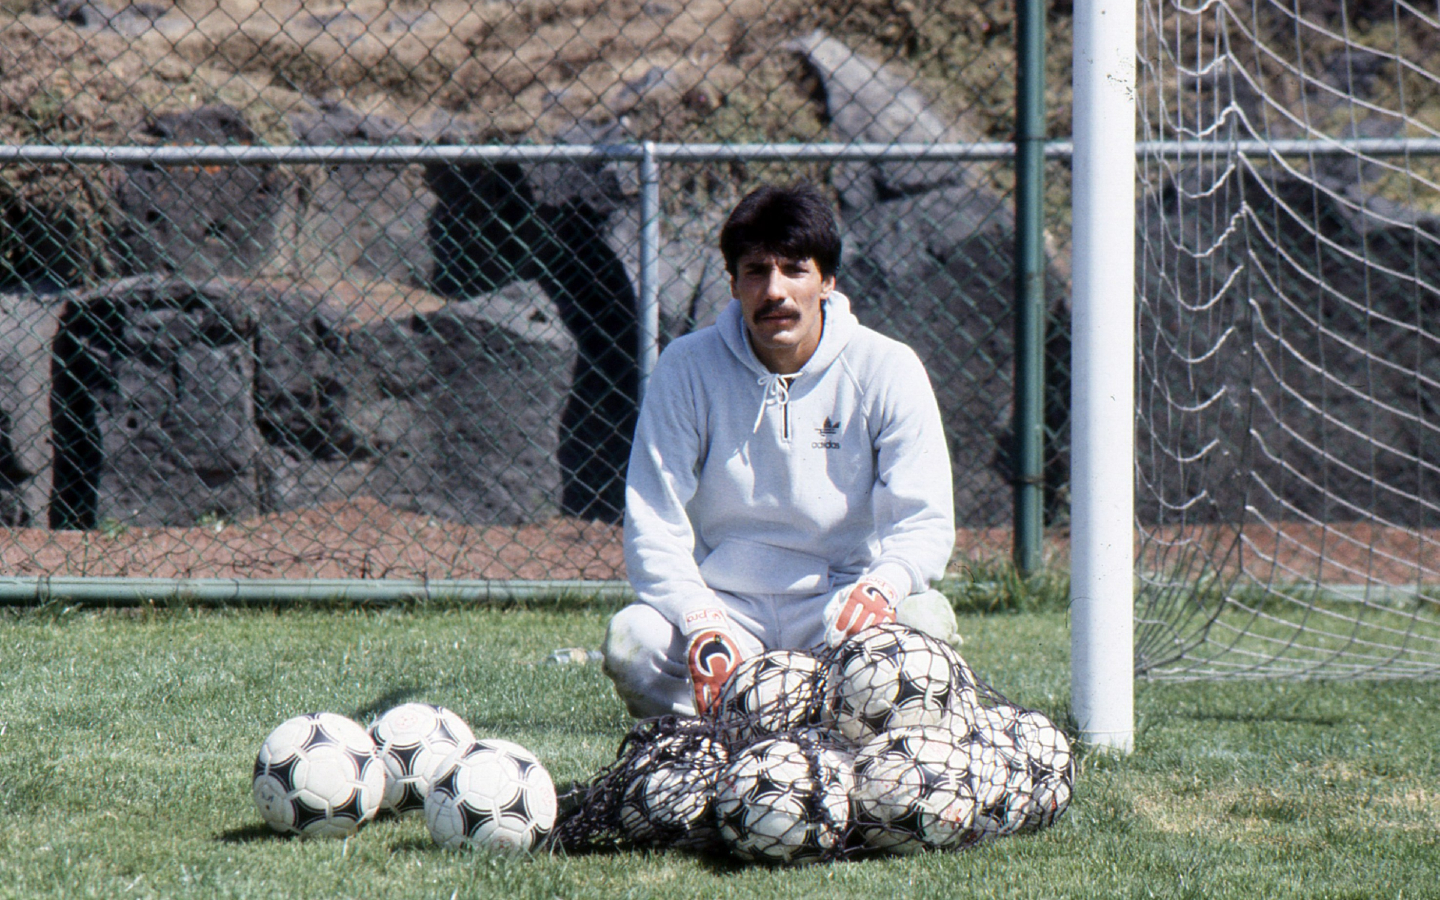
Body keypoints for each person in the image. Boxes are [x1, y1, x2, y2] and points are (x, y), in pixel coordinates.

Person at [602, 182, 958, 719]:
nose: (775, 291)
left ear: (828, 282)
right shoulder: (686, 366)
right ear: (734, 284)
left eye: (794, 268)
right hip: (728, 611)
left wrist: (883, 587)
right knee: (634, 639)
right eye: (756, 271)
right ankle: (700, 749)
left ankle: (859, 738)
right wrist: (699, 619)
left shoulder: (888, 366)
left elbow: (925, 520)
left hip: (841, 609)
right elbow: (653, 521)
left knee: (925, 622)